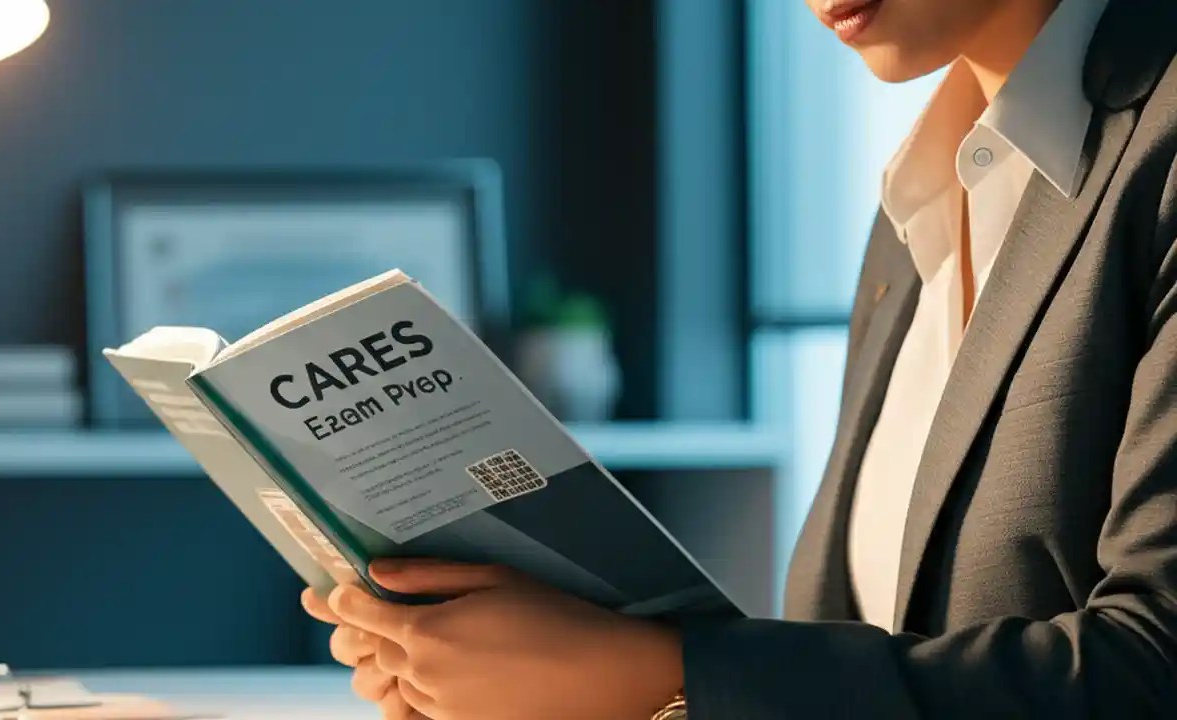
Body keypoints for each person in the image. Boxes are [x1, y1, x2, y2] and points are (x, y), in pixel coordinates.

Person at [302, 0, 1177, 716]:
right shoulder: (922, 197)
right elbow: (869, 655)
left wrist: (659, 671)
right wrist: (552, 680)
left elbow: (1153, 666)